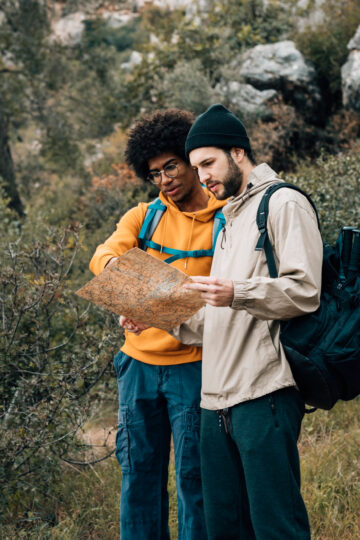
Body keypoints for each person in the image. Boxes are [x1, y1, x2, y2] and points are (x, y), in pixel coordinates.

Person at [169, 104, 323, 539]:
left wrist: (237, 291)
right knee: (225, 528)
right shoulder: (229, 218)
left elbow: (305, 290)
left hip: (264, 392)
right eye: (196, 167)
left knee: (275, 527)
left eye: (208, 163)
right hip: (214, 402)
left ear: (238, 153)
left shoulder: (283, 202)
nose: (202, 178)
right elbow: (220, 318)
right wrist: (160, 318)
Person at [89, 108, 225, 540]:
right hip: (137, 369)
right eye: (154, 173)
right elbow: (103, 259)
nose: (165, 179)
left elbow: (226, 291)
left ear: (190, 159)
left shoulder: (226, 219)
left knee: (194, 478)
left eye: (171, 166)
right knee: (139, 477)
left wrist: (149, 302)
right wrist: (144, 296)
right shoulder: (142, 216)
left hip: (195, 366)